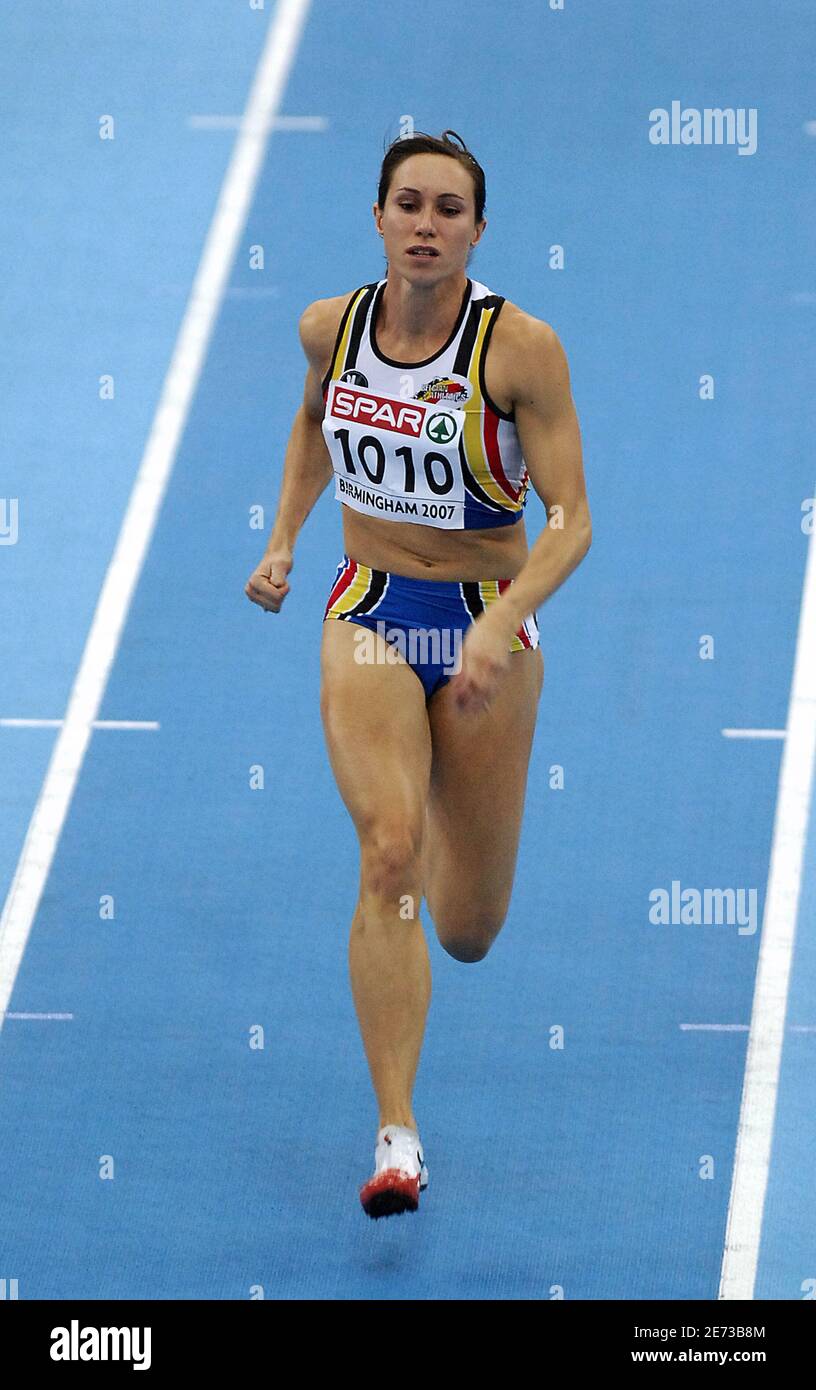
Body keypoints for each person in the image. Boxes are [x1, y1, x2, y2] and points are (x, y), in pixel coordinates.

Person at [245, 129, 591, 1219]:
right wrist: (286, 537)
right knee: (387, 849)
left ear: (478, 231)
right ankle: (398, 1136)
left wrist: (505, 625)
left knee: (469, 928)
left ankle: (446, 806)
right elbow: (314, 423)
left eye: (451, 209)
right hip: (374, 611)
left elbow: (573, 520)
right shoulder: (329, 327)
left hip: (487, 619)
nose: (428, 225)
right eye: (410, 205)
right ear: (381, 218)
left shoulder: (519, 350)